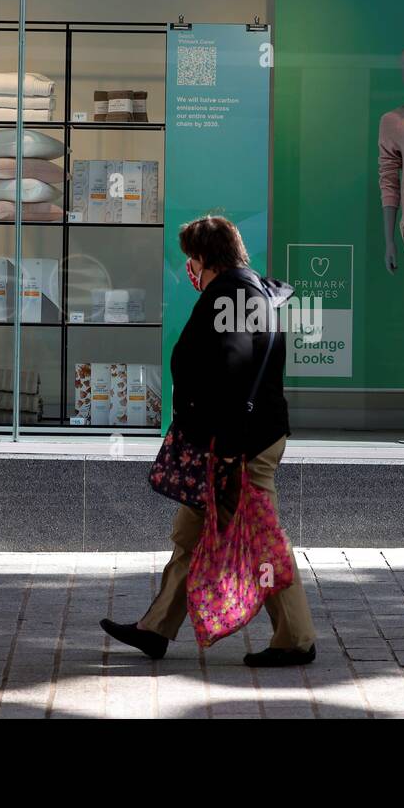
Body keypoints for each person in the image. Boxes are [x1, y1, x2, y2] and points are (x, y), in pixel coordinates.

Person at [101, 215, 318, 667]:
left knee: (263, 537)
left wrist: (226, 446)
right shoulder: (251, 291)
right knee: (190, 533)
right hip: (240, 439)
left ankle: (296, 639)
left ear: (205, 258)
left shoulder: (232, 296)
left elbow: (234, 364)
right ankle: (155, 629)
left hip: (238, 446)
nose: (189, 269)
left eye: (191, 260)